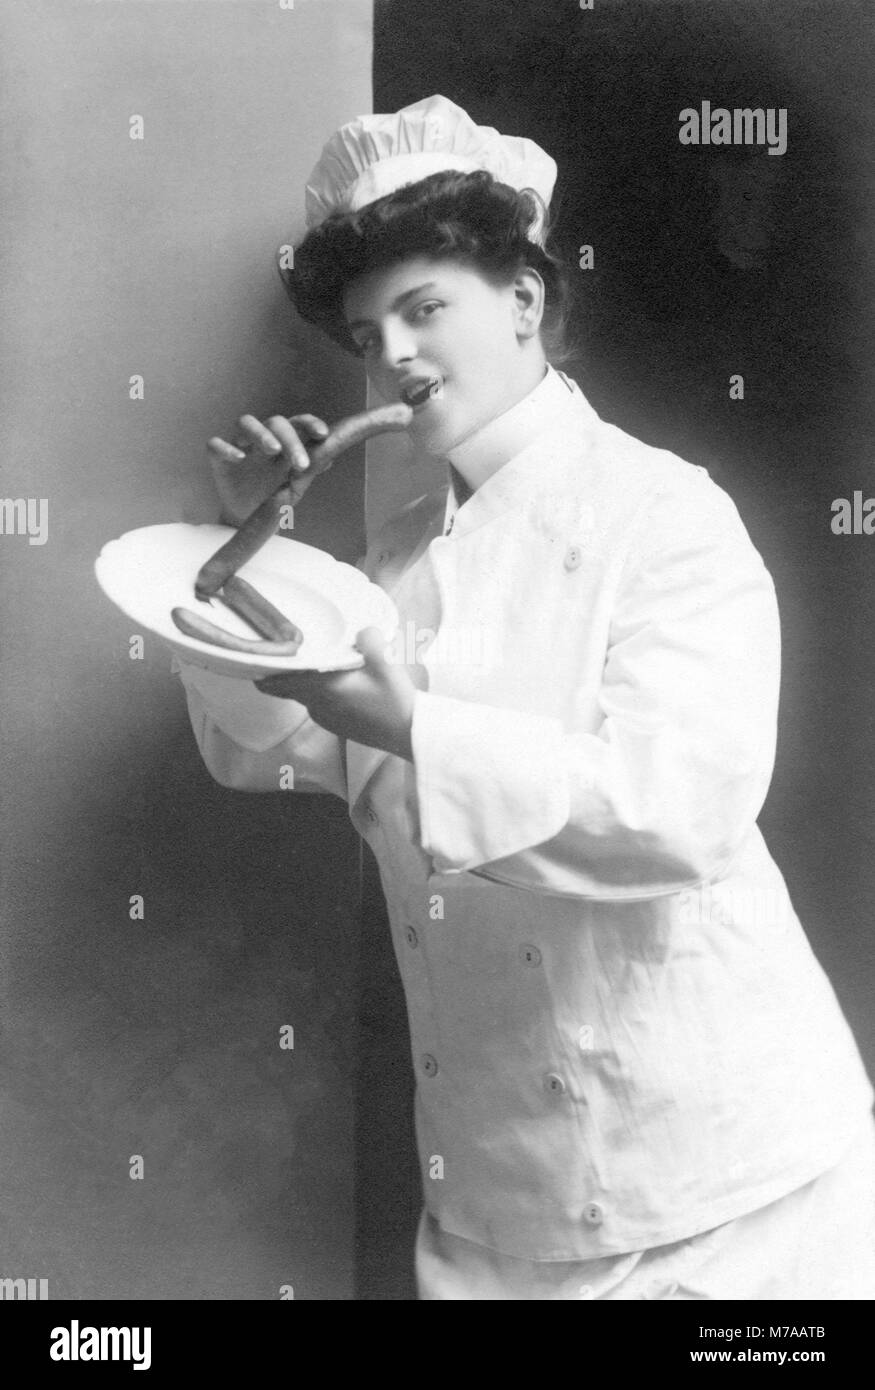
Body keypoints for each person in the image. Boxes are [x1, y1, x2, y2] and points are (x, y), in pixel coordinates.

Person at [172, 95, 875, 1299]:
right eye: (364, 331)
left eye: (423, 308)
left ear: (525, 302)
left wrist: (412, 726)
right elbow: (267, 750)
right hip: (497, 1205)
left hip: (732, 1198)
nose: (390, 354)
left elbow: (677, 809)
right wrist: (249, 550)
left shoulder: (664, 514)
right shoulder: (390, 559)